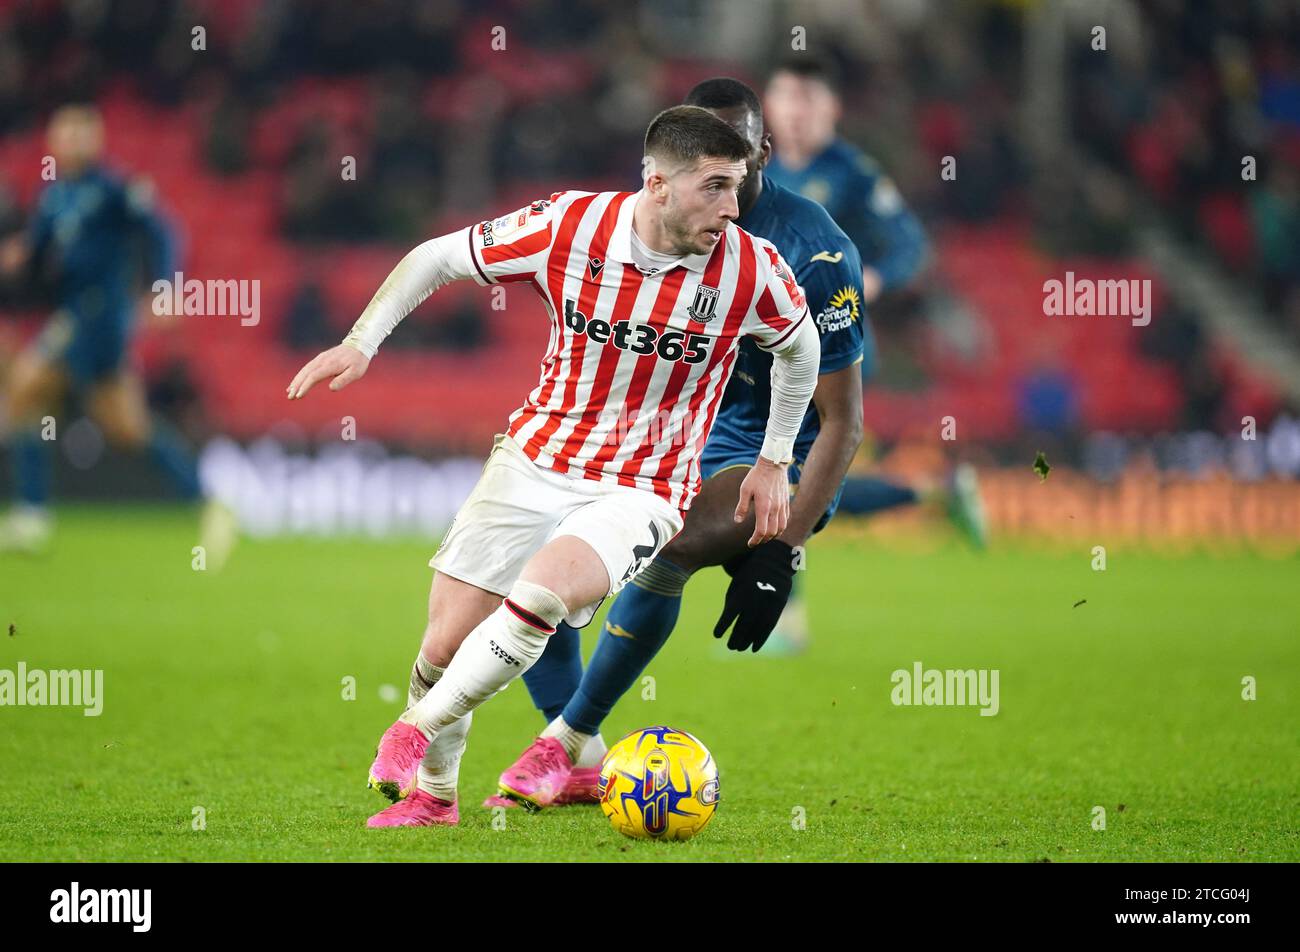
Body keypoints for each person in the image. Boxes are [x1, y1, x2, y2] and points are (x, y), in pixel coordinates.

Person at [285, 105, 821, 828]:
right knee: (441, 648)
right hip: (534, 459)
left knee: (541, 598)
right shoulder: (569, 226)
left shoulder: (750, 267)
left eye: (739, 185)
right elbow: (437, 257)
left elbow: (800, 347)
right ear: (658, 183)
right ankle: (435, 798)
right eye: (715, 187)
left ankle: (410, 732)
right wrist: (362, 342)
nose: (733, 207)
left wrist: (775, 458)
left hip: (644, 486)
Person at [488, 76, 868, 811]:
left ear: (763, 149)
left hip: (769, 446)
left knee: (669, 544)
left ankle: (559, 746)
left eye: (734, 152)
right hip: (668, 430)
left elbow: (844, 420)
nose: (716, 169)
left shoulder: (816, 251)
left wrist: (781, 546)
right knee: (528, 552)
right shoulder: (652, 224)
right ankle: (585, 757)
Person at [765, 58, 987, 588]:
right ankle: (933, 492)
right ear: (769, 107)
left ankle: (779, 611)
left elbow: (911, 242)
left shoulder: (853, 172)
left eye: (808, 100)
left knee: (787, 475)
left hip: (830, 337)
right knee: (798, 482)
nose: (796, 113)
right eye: (786, 99)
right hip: (767, 340)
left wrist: (876, 279)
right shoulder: (758, 171)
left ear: (832, 109)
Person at [0, 105, 204, 553]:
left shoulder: (115, 189)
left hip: (100, 315)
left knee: (23, 389)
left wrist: (166, 287)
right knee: (127, 428)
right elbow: (35, 257)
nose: (71, 142)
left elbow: (165, 232)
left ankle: (32, 514)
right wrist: (17, 259)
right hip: (76, 314)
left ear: (96, 140)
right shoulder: (54, 196)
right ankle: (202, 498)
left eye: (80, 133)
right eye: (64, 133)